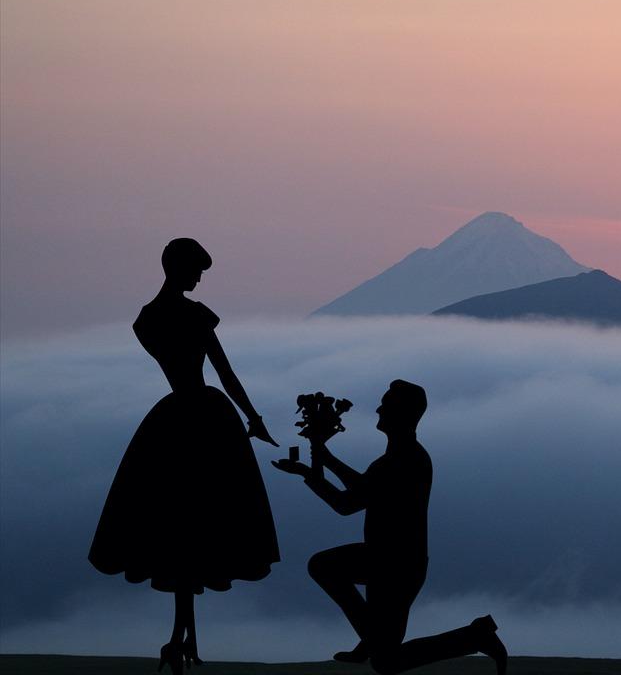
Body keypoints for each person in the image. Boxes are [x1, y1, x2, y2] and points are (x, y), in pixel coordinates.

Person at [88, 238, 280, 674]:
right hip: (207, 420)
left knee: (177, 526)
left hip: (173, 418)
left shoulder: (147, 320)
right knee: (199, 523)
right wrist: (254, 417)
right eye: (196, 271)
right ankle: (182, 637)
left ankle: (181, 636)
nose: (199, 279)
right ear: (179, 267)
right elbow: (225, 373)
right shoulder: (194, 317)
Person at [273, 379, 508, 675]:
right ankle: (473, 636)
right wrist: (318, 461)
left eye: (385, 404)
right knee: (387, 661)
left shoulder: (402, 461)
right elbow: (360, 489)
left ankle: (373, 639)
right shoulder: (401, 457)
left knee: (322, 566)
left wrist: (314, 466)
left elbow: (347, 502)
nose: (378, 409)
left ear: (401, 413)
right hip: (396, 564)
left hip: (391, 565)